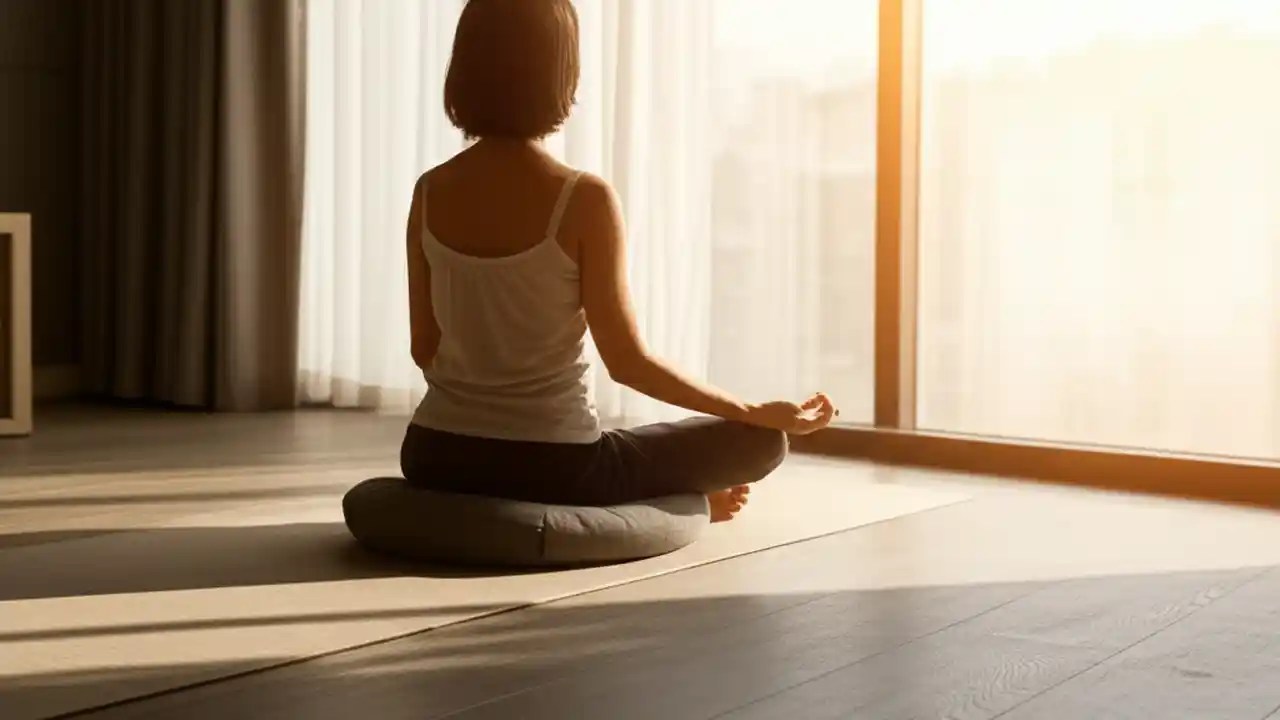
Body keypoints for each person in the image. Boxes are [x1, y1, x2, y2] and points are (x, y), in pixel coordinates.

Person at [400, 0, 837, 522]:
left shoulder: (429, 192)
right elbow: (628, 364)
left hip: (433, 455)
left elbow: (425, 348)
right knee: (762, 443)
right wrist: (750, 411)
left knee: (628, 445)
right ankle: (674, 504)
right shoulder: (583, 199)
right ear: (561, 69)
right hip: (556, 467)